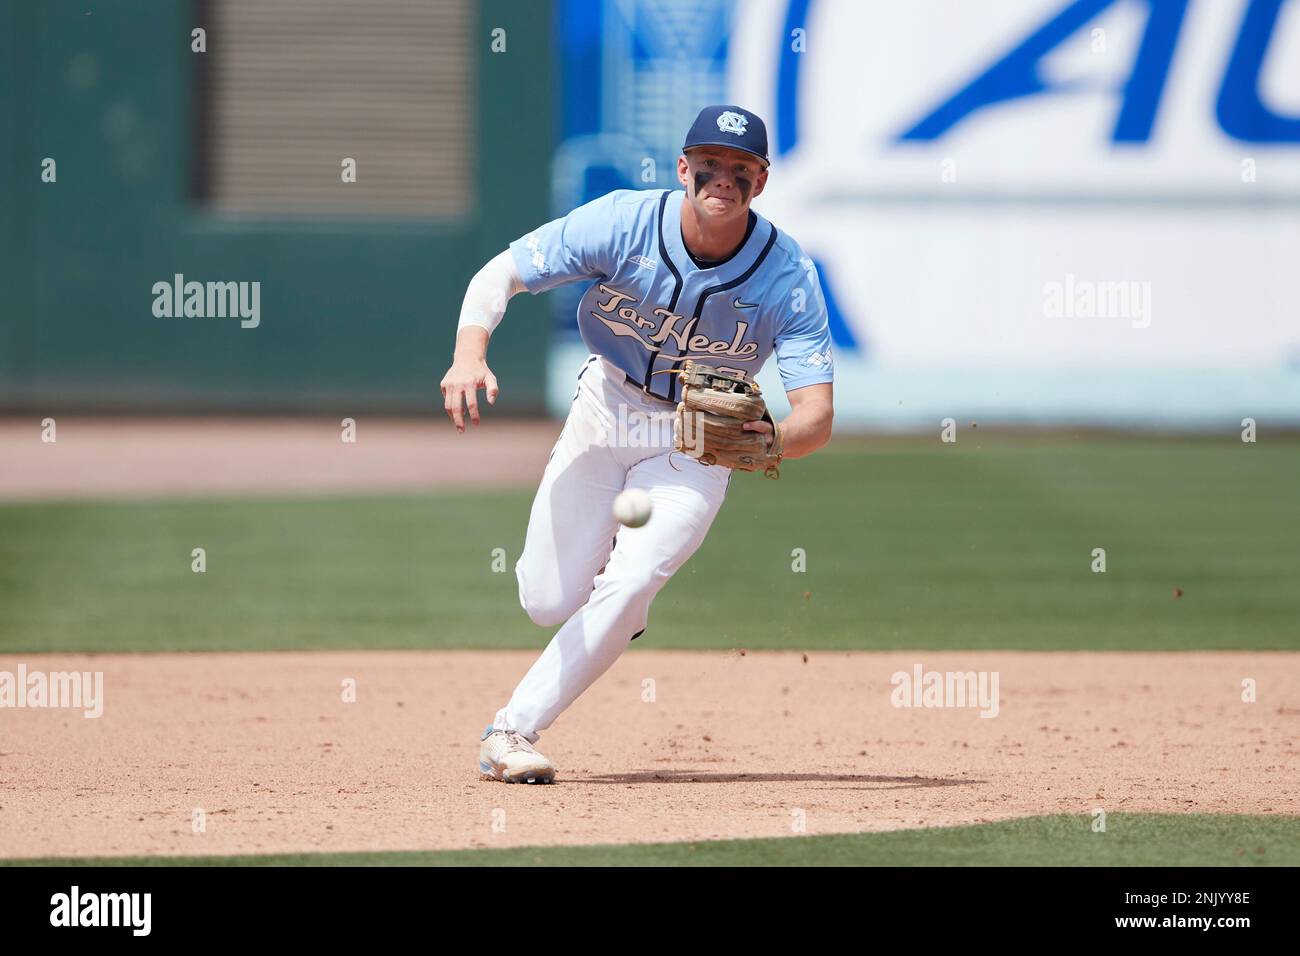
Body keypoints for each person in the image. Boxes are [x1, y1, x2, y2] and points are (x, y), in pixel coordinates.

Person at [440, 105, 835, 783]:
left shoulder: (787, 275)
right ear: (684, 168)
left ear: (761, 182)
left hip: (700, 440)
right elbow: (498, 275)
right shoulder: (622, 221)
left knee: (629, 582)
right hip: (608, 404)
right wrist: (469, 354)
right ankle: (619, 615)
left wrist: (764, 444)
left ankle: (510, 730)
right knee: (548, 600)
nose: (724, 177)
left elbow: (817, 416)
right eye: (710, 162)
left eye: (743, 168)